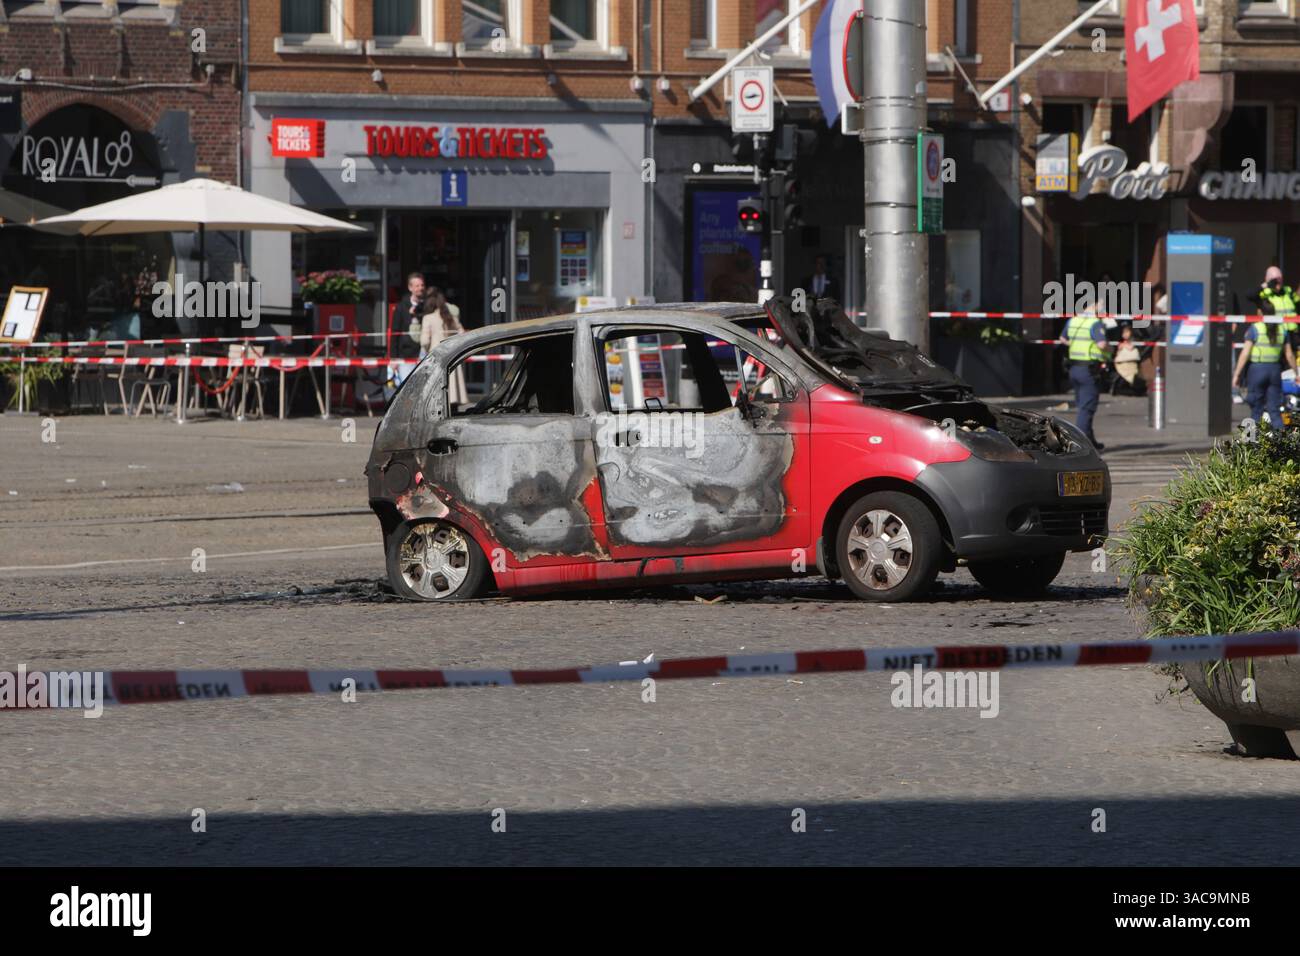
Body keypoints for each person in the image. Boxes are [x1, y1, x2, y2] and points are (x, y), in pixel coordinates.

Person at [1232, 300, 1297, 426]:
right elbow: (1289, 354)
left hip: (1257, 371)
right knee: (1275, 411)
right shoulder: (1282, 329)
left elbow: (1245, 354)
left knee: (1256, 411)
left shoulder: (1255, 328)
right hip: (1275, 370)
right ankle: (1281, 444)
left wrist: (1236, 374)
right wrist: (1296, 372)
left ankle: (1251, 443)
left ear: (1260, 312)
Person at [1060, 307, 1111, 450]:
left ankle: (1090, 441)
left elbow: (1063, 339)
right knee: (1086, 409)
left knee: (1082, 405)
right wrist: (1110, 349)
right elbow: (1102, 344)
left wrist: (1076, 345)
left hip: (1074, 369)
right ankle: (1080, 446)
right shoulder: (1094, 323)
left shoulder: (1073, 320)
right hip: (1088, 371)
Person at [410, 286, 467, 406]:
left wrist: (426, 350)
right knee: (452, 395)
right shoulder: (451, 317)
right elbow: (462, 334)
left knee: (437, 396)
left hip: (436, 358)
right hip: (452, 357)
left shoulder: (428, 318)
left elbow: (424, 341)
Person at [1111, 325, 1147, 397]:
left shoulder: (1134, 339)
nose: (1124, 334)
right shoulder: (1123, 342)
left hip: (1130, 362)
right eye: (1123, 333)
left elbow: (1130, 347)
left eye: (1126, 332)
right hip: (1122, 362)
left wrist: (1123, 345)